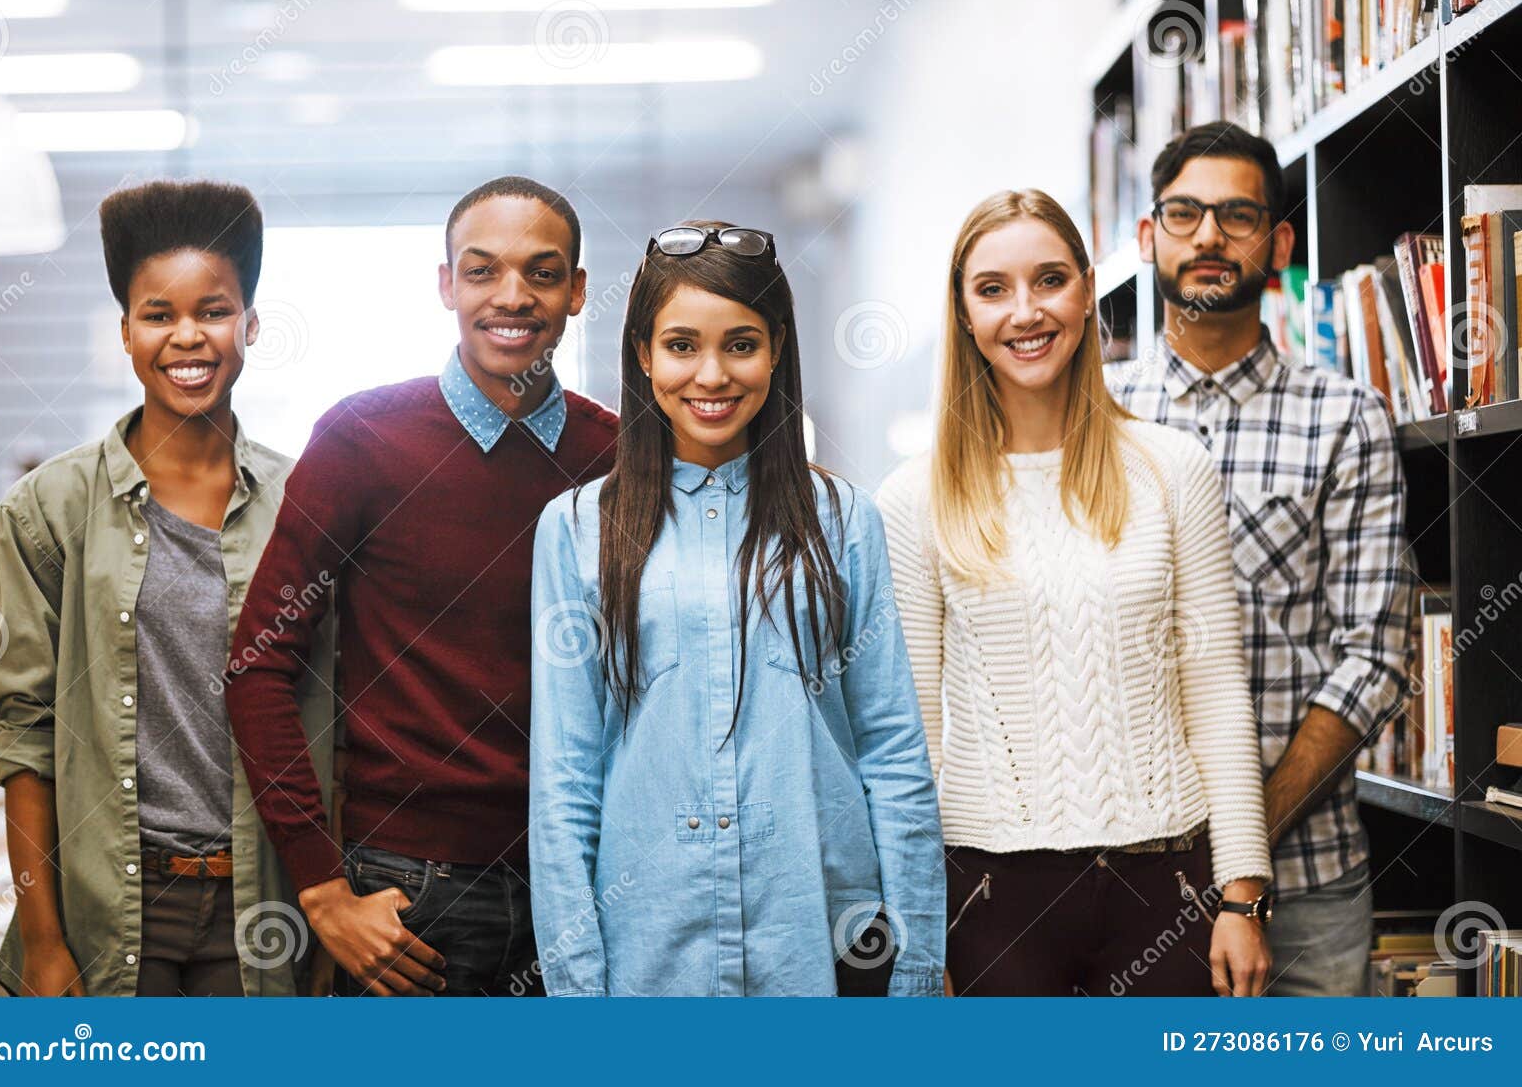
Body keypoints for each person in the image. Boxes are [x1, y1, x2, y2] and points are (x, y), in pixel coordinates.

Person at [528, 221, 945, 996]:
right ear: (643, 356)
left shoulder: (844, 518)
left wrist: (918, 963)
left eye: (741, 344)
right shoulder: (577, 529)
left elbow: (891, 750)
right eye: (682, 345)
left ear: (777, 349)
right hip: (649, 954)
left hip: (823, 949)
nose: (711, 374)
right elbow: (564, 778)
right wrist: (576, 983)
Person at [224, 176, 616, 997]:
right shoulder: (363, 438)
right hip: (408, 897)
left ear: (576, 290)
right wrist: (323, 889)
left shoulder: (616, 457)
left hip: (586, 887)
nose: (512, 296)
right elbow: (258, 665)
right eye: (482, 271)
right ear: (446, 284)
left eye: (542, 273)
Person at [877, 189, 1273, 997]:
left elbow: (1216, 689)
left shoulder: (1171, 467)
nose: (1025, 311)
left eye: (1048, 279)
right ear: (962, 312)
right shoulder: (914, 497)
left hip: (1166, 883)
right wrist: (920, 932)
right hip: (989, 897)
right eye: (992, 289)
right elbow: (910, 733)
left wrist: (1243, 894)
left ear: (1087, 289)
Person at [0, 180, 336, 996]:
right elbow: (22, 736)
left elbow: (333, 722)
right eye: (158, 313)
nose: (188, 337)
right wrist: (41, 941)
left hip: (263, 901)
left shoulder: (304, 505)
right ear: (127, 333)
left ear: (249, 326)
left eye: (212, 310)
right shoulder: (48, 509)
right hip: (112, 907)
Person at [1109, 123, 1415, 996]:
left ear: (1278, 243)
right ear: (1148, 238)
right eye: (1185, 213)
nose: (1209, 236)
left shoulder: (1347, 417)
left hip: (1308, 884)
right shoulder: (1093, 415)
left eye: (1238, 216)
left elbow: (1376, 660)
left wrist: (1245, 836)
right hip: (1125, 875)